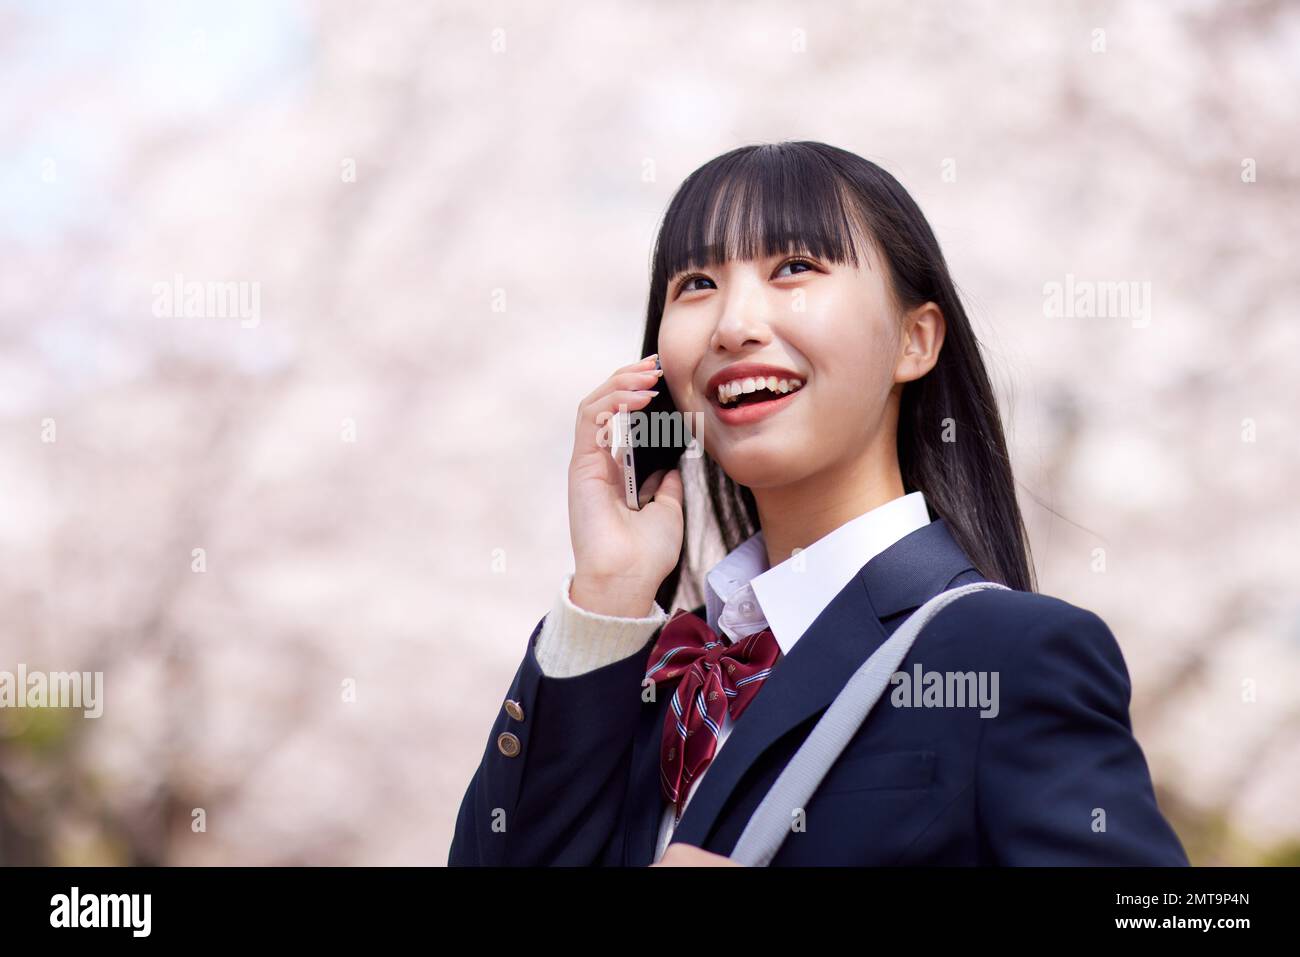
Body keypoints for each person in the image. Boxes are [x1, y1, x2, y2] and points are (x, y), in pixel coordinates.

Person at [448, 141, 1189, 867]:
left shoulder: (1010, 654)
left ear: (915, 340)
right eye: (696, 284)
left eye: (795, 267)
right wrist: (607, 596)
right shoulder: (652, 674)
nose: (733, 324)